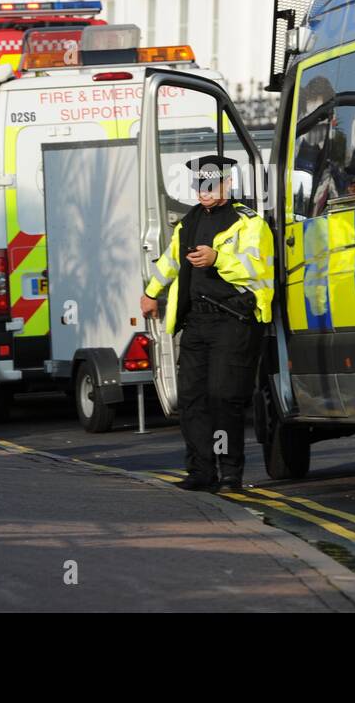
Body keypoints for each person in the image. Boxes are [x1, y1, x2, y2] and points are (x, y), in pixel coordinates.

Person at [141, 155, 275, 492]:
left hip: (234, 319)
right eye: (199, 184)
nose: (204, 190)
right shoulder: (189, 222)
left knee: (223, 398)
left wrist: (219, 258)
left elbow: (258, 268)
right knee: (192, 399)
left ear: (228, 185)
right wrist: (150, 292)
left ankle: (229, 472)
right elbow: (170, 261)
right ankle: (201, 471)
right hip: (197, 321)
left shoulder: (248, 223)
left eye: (211, 184)